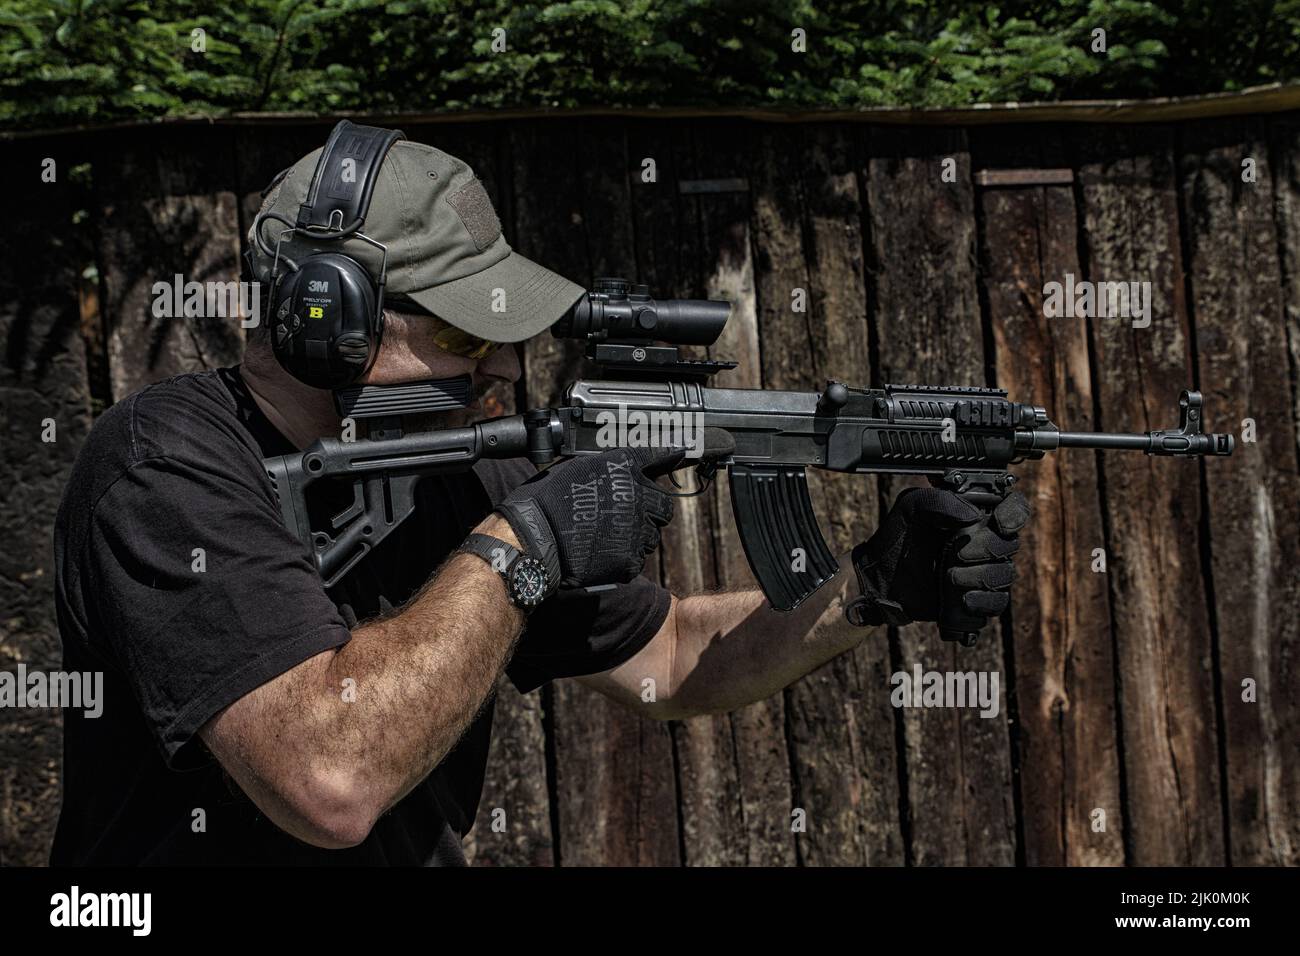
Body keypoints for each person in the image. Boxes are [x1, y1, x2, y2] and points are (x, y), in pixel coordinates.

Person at [50, 124, 1028, 864]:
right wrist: (521, 546)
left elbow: (677, 657)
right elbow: (329, 777)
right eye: (468, 334)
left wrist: (867, 586)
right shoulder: (165, 464)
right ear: (328, 318)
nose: (505, 364)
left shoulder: (452, 461)